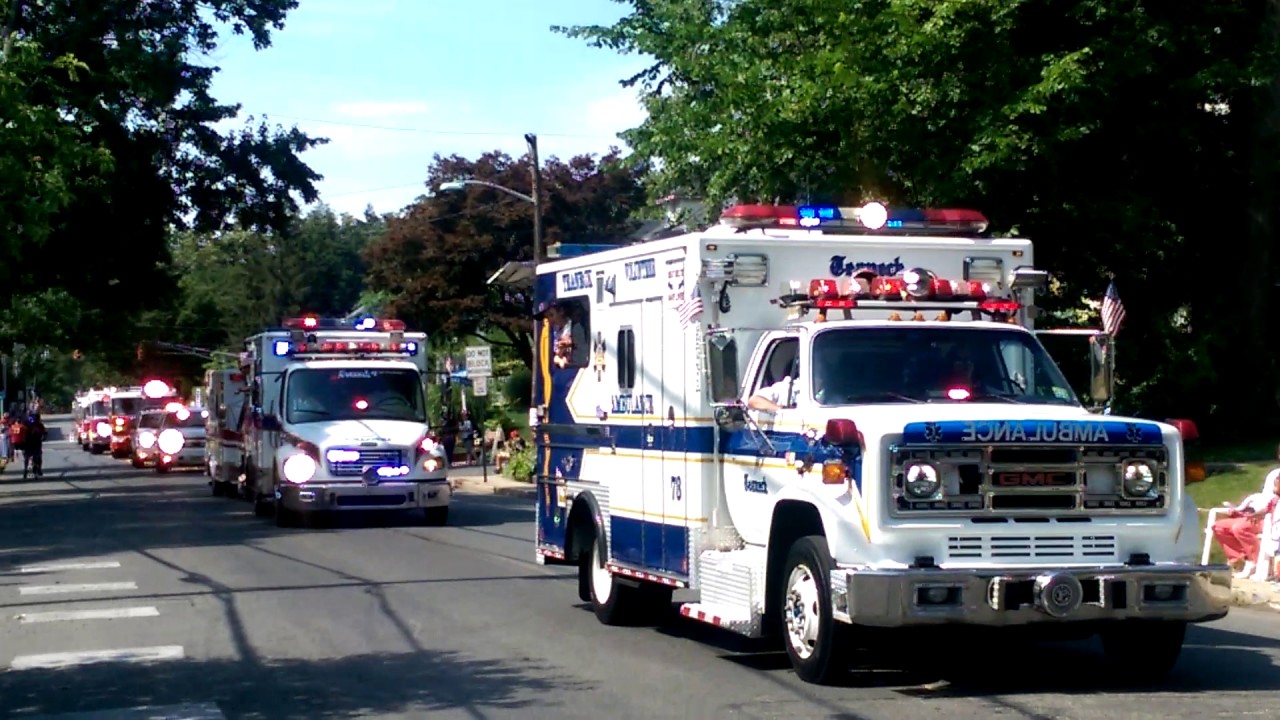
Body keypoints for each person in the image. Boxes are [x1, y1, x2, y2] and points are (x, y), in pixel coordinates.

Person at [1212, 466, 1280, 578]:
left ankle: (1254, 562)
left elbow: (1271, 510)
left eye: (1277, 480)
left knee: (1239, 528)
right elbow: (1266, 503)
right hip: (1255, 512)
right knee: (1219, 526)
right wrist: (1246, 511)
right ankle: (1242, 559)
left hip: (1269, 522)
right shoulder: (1273, 478)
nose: (1275, 481)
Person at [21, 412, 46, 479]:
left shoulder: (25, 423)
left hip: (27, 443)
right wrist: (43, 438)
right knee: (38, 456)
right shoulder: (39, 425)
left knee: (26, 457)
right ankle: (39, 469)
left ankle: (25, 470)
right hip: (37, 443)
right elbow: (44, 433)